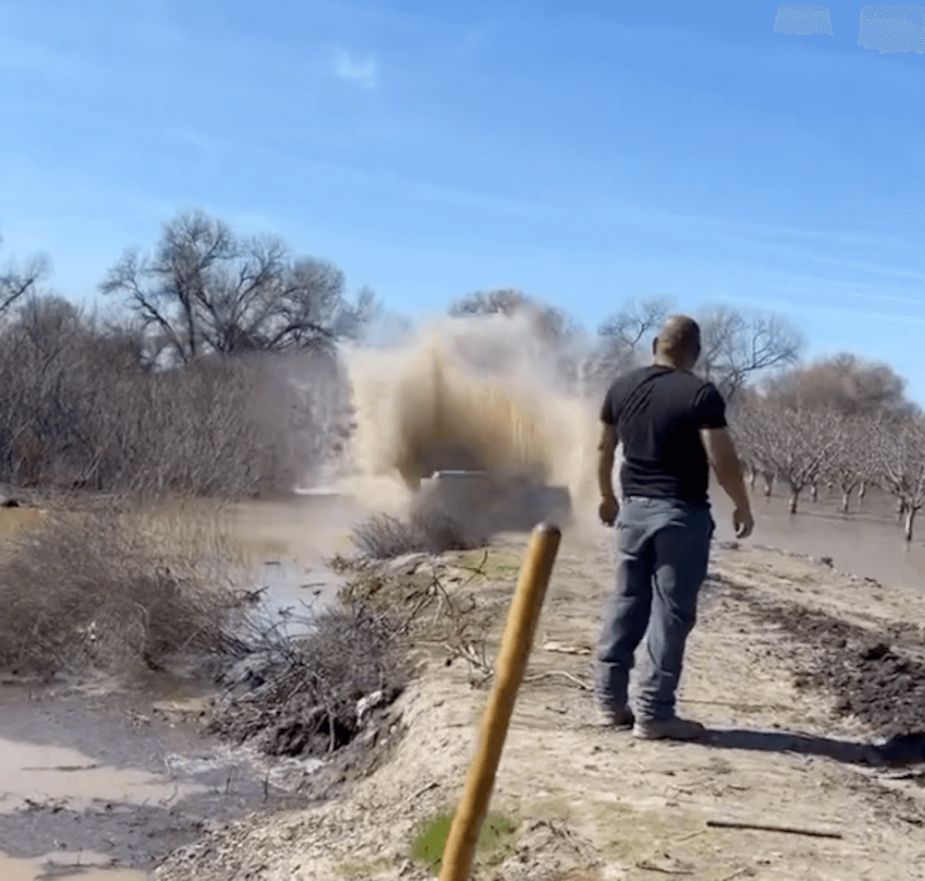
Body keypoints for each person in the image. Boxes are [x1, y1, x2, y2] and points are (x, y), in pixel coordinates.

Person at [595, 315, 754, 741]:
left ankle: (609, 702)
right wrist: (742, 505)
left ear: (655, 344)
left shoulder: (621, 387)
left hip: (632, 511)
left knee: (626, 602)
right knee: (671, 613)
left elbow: (604, 447)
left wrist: (606, 496)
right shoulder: (700, 393)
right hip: (680, 515)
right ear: (695, 352)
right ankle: (654, 712)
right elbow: (722, 458)